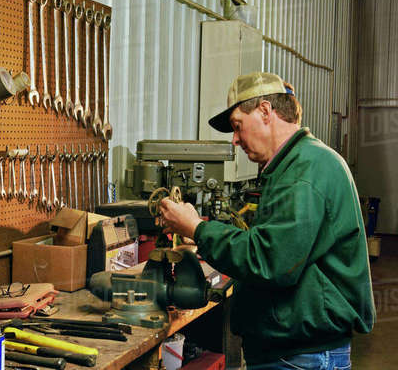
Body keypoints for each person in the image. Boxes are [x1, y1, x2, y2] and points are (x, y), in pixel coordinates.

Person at [159, 72, 375, 370]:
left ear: (264, 111)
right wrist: (201, 235)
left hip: (300, 357)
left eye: (237, 126)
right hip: (294, 353)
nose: (234, 140)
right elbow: (276, 245)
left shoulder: (305, 169)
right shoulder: (296, 165)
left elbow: (270, 260)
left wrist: (197, 228)